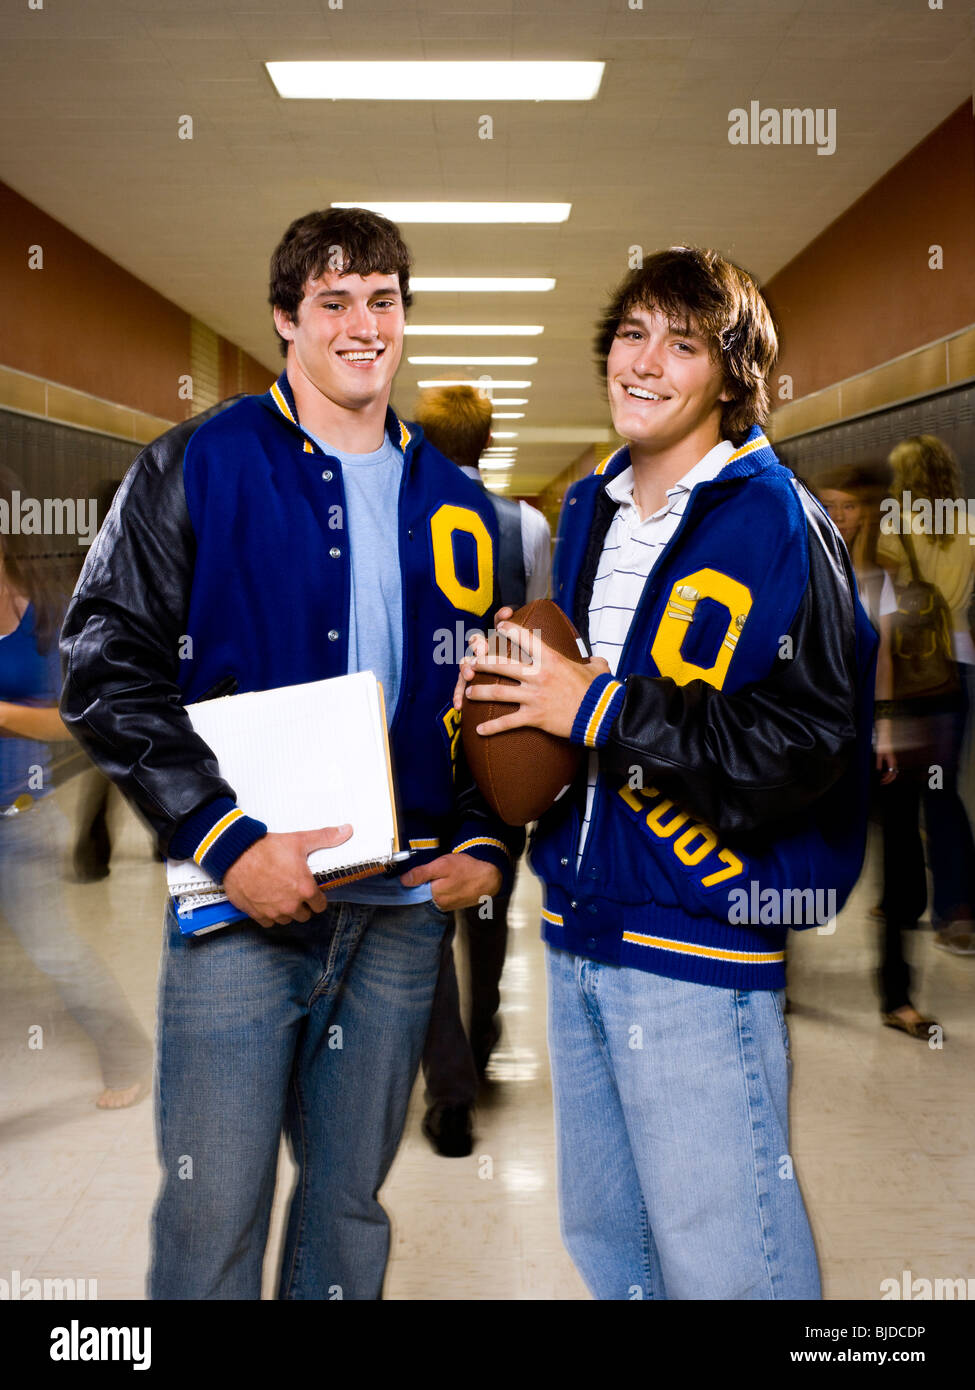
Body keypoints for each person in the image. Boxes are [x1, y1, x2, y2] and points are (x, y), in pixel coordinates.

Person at [59, 207, 521, 1300]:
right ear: (285, 319)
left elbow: (485, 701)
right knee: (215, 1208)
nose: (363, 325)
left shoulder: (461, 509)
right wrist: (223, 838)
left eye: (383, 300)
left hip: (402, 918)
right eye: (334, 301)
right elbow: (101, 661)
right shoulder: (200, 463)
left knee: (349, 1205)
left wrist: (491, 836)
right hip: (240, 906)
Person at [459, 246, 877, 1299]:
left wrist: (594, 704)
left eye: (681, 344)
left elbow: (805, 748)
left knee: (728, 1261)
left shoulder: (782, 521)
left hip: (697, 939)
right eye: (631, 334)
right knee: (612, 1245)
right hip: (578, 926)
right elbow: (580, 712)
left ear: (731, 379)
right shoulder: (594, 508)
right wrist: (512, 698)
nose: (643, 362)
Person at [413, 384, 551, 1156]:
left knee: (429, 902)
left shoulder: (400, 518)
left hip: (423, 737)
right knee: (489, 889)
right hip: (500, 735)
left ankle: (449, 1091)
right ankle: (484, 1023)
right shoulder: (525, 524)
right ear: (489, 444)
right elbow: (534, 629)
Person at [1, 467, 151, 1108]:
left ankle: (124, 1050)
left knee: (54, 950)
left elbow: (71, 722)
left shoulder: (44, 604)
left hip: (19, 816)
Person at [817, 464, 942, 1038]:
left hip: (871, 732)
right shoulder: (800, 565)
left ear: (865, 513)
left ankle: (898, 997)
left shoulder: (877, 577)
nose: (840, 515)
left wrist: (885, 728)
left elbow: (886, 656)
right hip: (813, 734)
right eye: (829, 504)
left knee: (902, 872)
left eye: (848, 506)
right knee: (793, 852)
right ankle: (772, 971)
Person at [875, 435, 975, 956]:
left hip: (914, 671)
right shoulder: (969, 522)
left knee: (903, 791)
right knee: (944, 787)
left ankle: (908, 902)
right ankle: (956, 910)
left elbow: (890, 609)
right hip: (960, 666)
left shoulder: (895, 525)